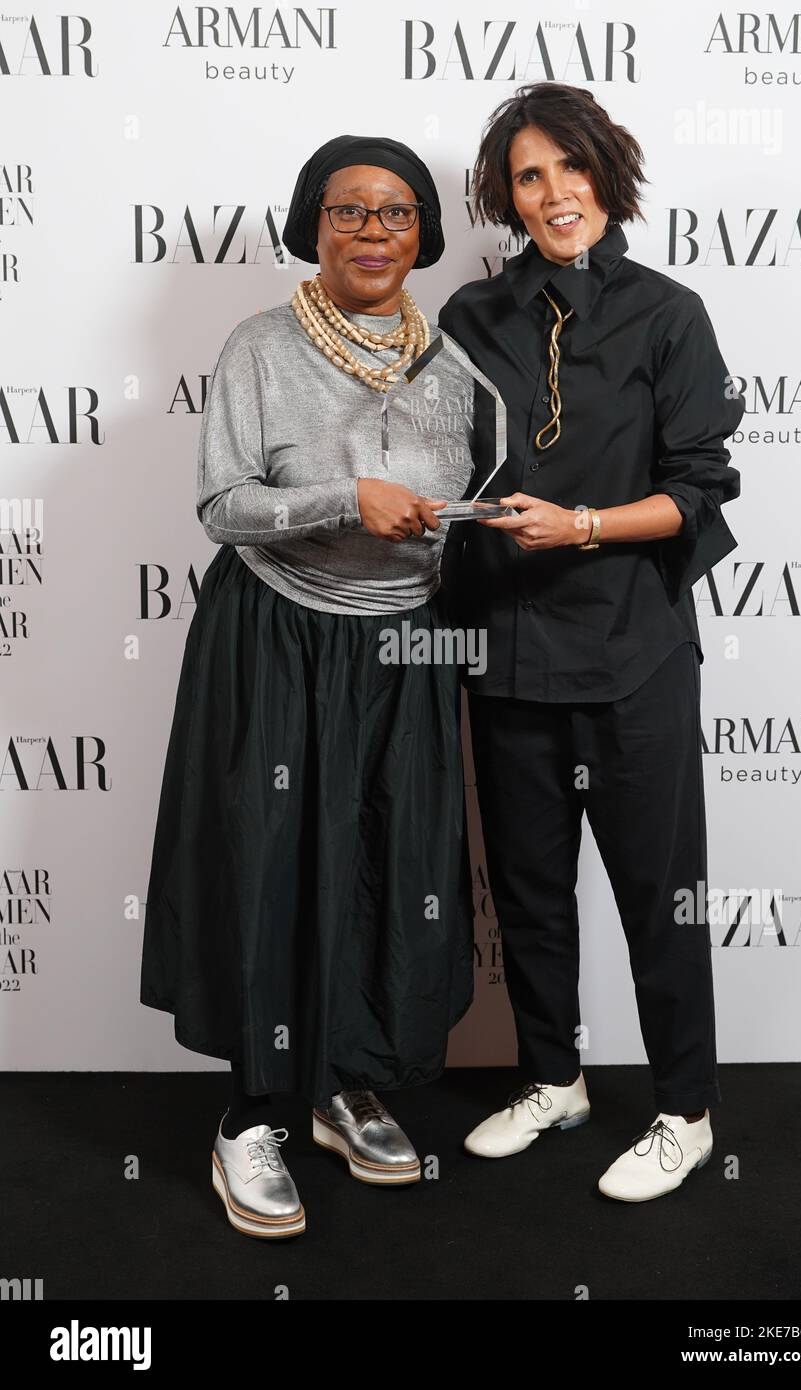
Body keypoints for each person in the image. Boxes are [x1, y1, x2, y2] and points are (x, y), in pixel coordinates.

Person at [139, 135, 476, 1238]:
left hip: (405, 648)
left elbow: (467, 497)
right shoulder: (259, 345)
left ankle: (339, 1084)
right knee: (268, 862)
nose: (371, 232)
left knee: (388, 861)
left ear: (423, 228)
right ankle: (248, 1116)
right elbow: (223, 505)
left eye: (394, 213)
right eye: (347, 211)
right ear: (310, 224)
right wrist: (343, 497)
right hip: (275, 635)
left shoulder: (457, 362)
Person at [438, 82, 746, 1202]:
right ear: (503, 197)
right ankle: (551, 1076)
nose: (554, 193)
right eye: (528, 176)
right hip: (510, 648)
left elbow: (697, 492)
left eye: (571, 169)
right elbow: (452, 469)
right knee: (525, 888)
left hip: (633, 654)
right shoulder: (470, 320)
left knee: (659, 892)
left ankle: (684, 1109)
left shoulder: (669, 313)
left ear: (607, 176)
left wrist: (578, 524)